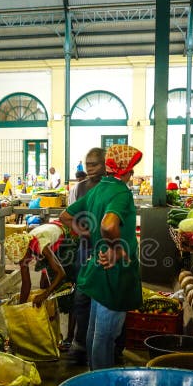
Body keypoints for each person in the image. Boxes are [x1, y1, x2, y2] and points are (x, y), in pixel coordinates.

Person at [60, 144, 143, 370]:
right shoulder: (120, 192)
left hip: (96, 264)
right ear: (126, 171)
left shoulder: (98, 189)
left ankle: (92, 375)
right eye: (132, 169)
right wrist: (116, 248)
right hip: (114, 271)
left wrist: (86, 233)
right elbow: (108, 225)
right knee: (105, 337)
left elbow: (66, 216)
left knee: (95, 332)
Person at [66, 147, 106, 364]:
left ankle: (109, 345)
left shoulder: (111, 188)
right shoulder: (78, 189)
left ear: (105, 165)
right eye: (87, 164)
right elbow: (69, 216)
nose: (89, 169)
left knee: (106, 296)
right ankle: (80, 345)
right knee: (82, 296)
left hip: (109, 248)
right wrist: (83, 232)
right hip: (85, 248)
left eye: (94, 165)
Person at [4, 221, 75, 309]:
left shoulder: (40, 245)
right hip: (48, 239)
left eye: (21, 258)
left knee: (63, 289)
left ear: (26, 250)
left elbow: (61, 273)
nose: (21, 261)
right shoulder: (24, 243)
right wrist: (21, 307)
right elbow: (26, 283)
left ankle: (64, 311)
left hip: (64, 236)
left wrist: (44, 295)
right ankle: (47, 309)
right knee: (44, 283)